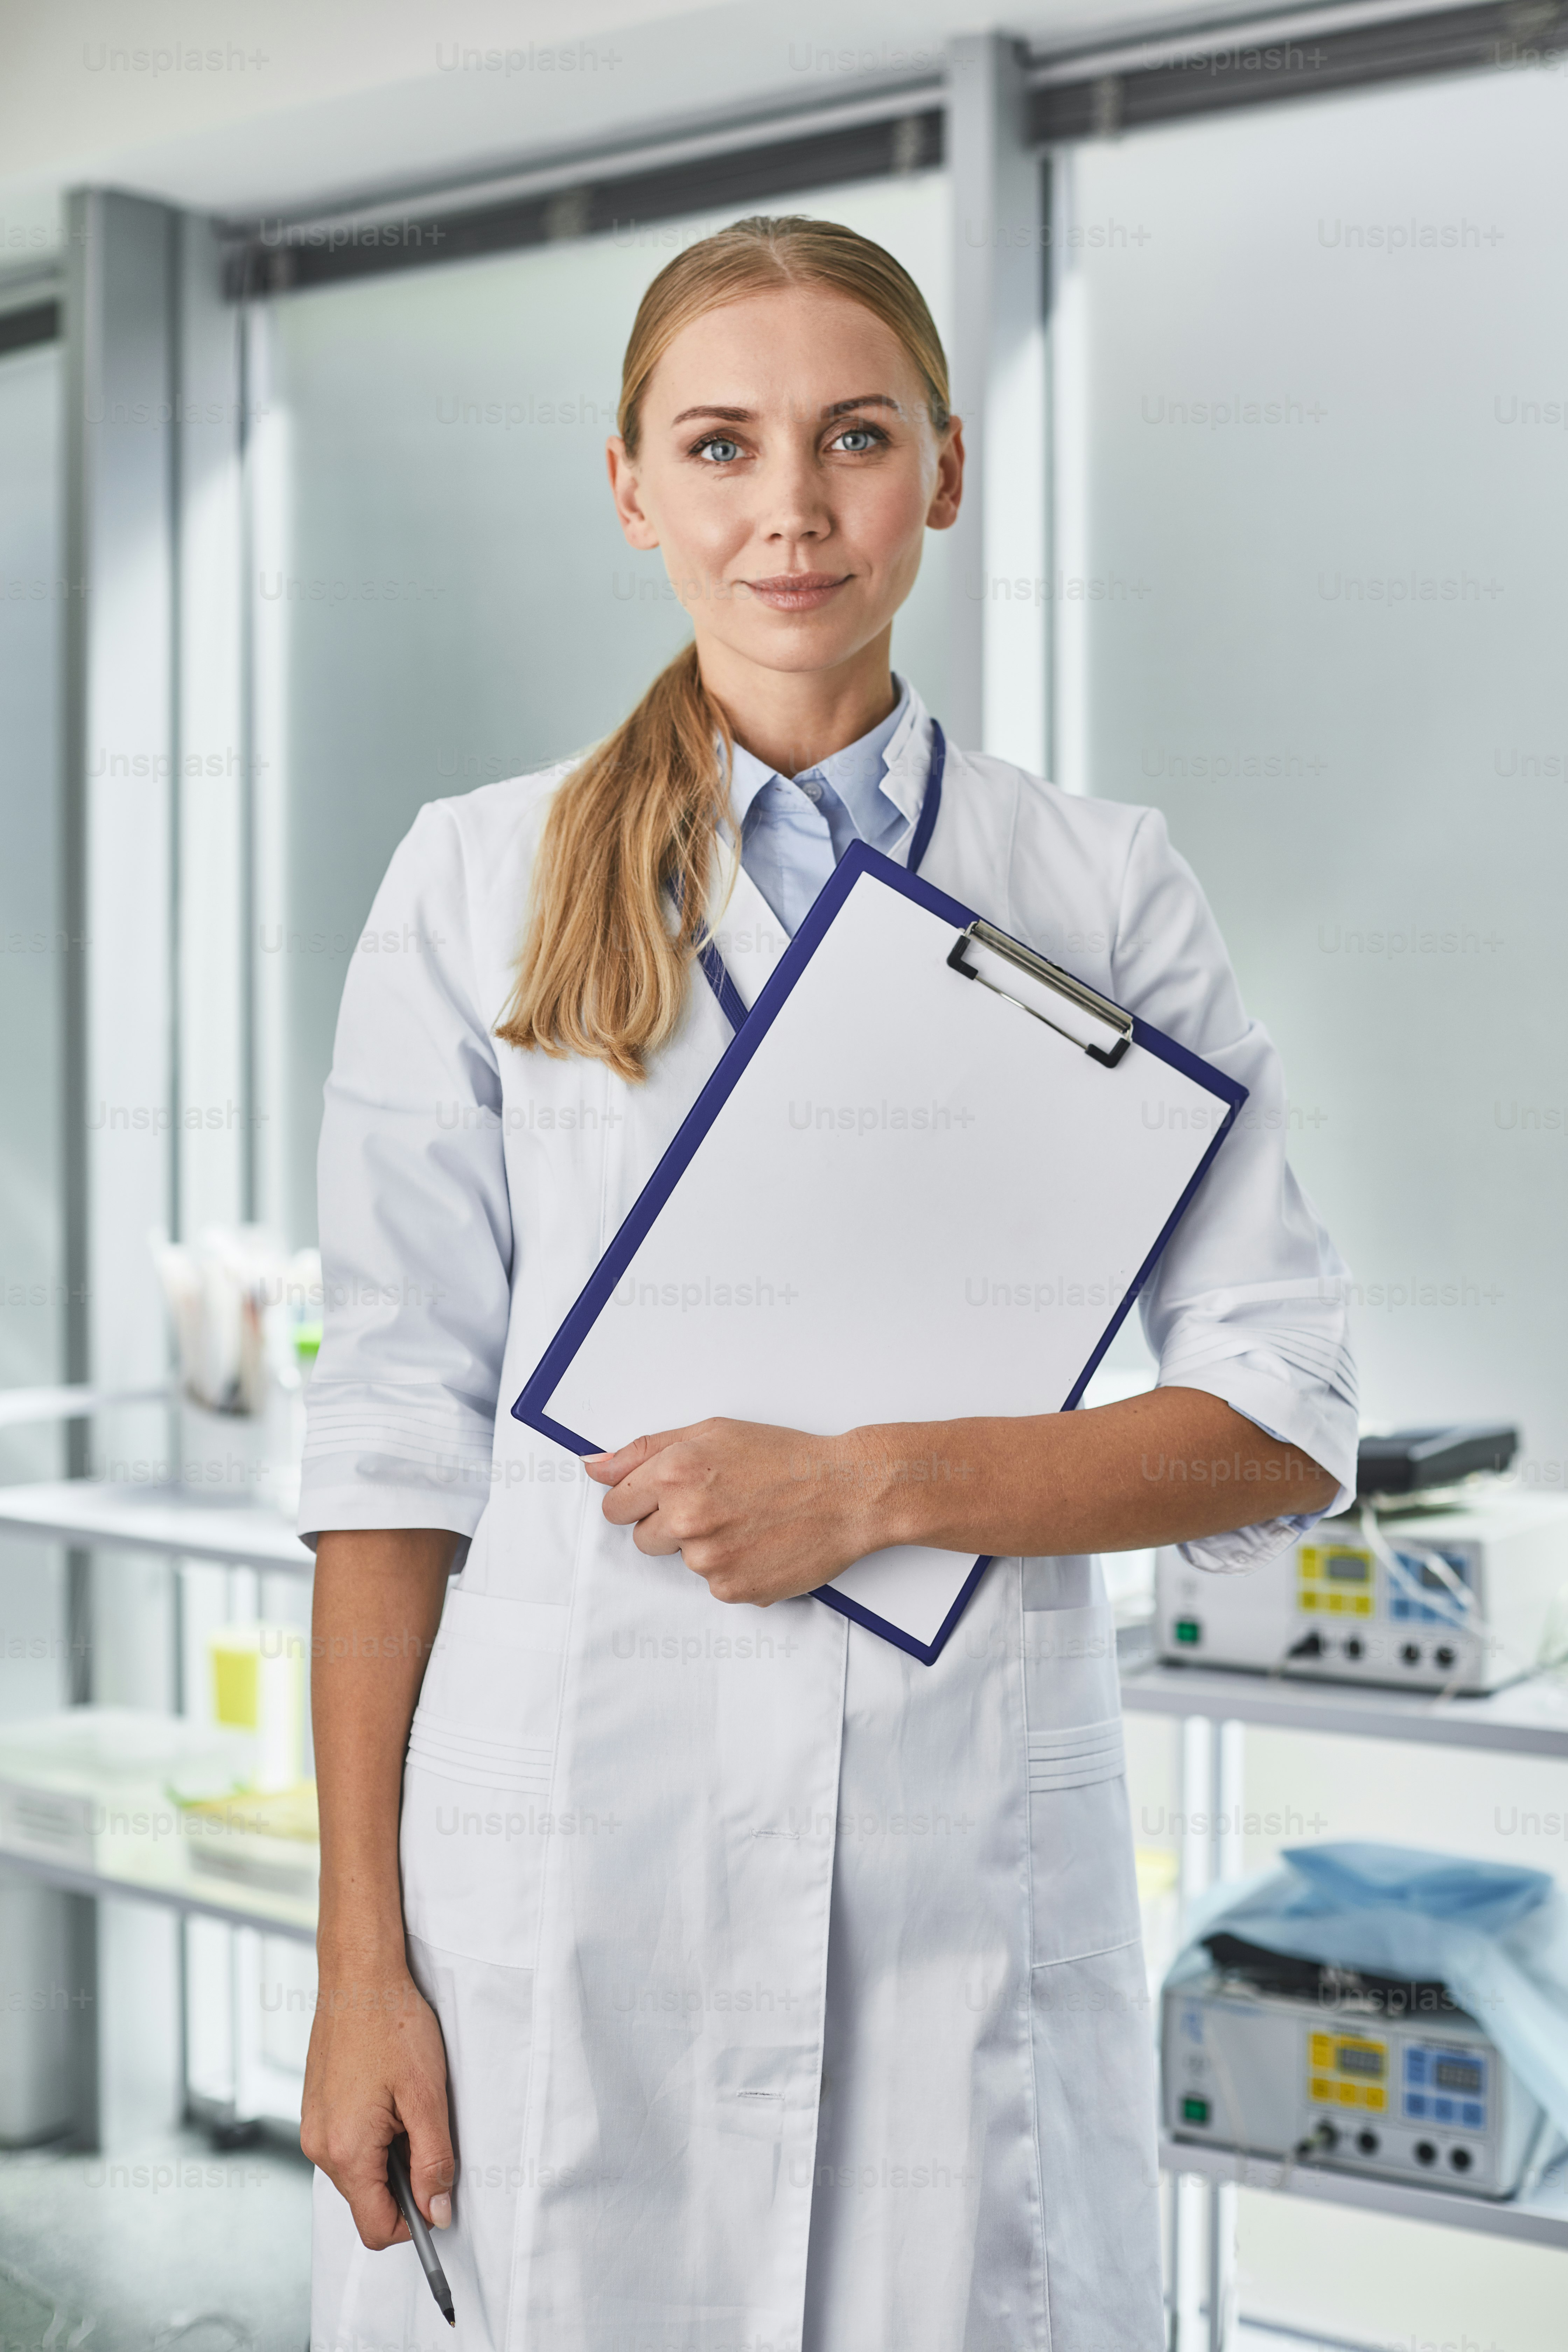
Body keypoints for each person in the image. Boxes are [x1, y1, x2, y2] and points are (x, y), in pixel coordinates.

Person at [299, 214, 1356, 2352]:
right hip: (558, 1874)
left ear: (944, 472)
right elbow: (391, 1441)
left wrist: (875, 1486)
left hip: (958, 1881)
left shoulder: (1096, 887)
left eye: (854, 438)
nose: (788, 509)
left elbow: (1283, 1418)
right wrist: (355, 1966)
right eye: (719, 445)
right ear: (631, 488)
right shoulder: (470, 883)